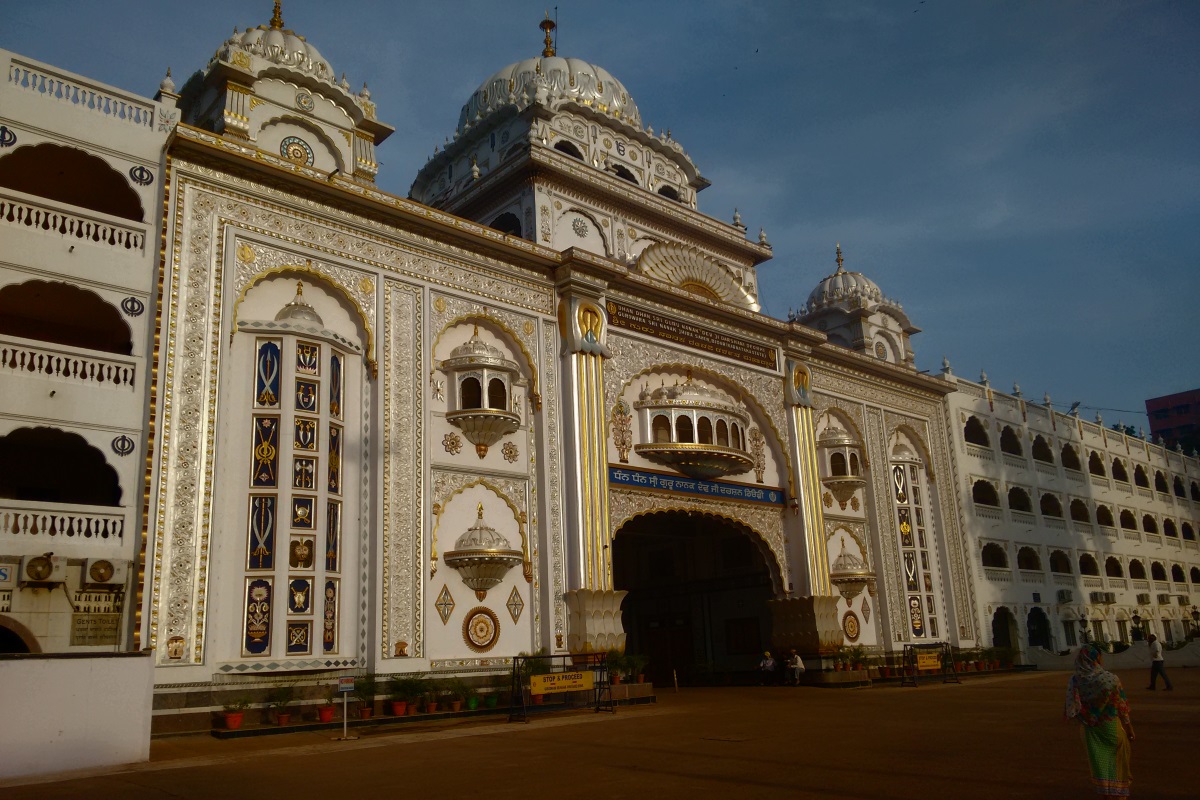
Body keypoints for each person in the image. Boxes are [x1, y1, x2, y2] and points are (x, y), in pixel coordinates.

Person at [1064, 644, 1134, 797]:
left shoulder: (1075, 680)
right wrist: (1129, 728)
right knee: (1118, 759)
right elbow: (1121, 705)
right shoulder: (1111, 679)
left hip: (1090, 729)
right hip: (1110, 727)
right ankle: (1120, 793)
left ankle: (1106, 793)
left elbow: (1071, 708)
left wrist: (1085, 716)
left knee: (1099, 763)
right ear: (1096, 658)